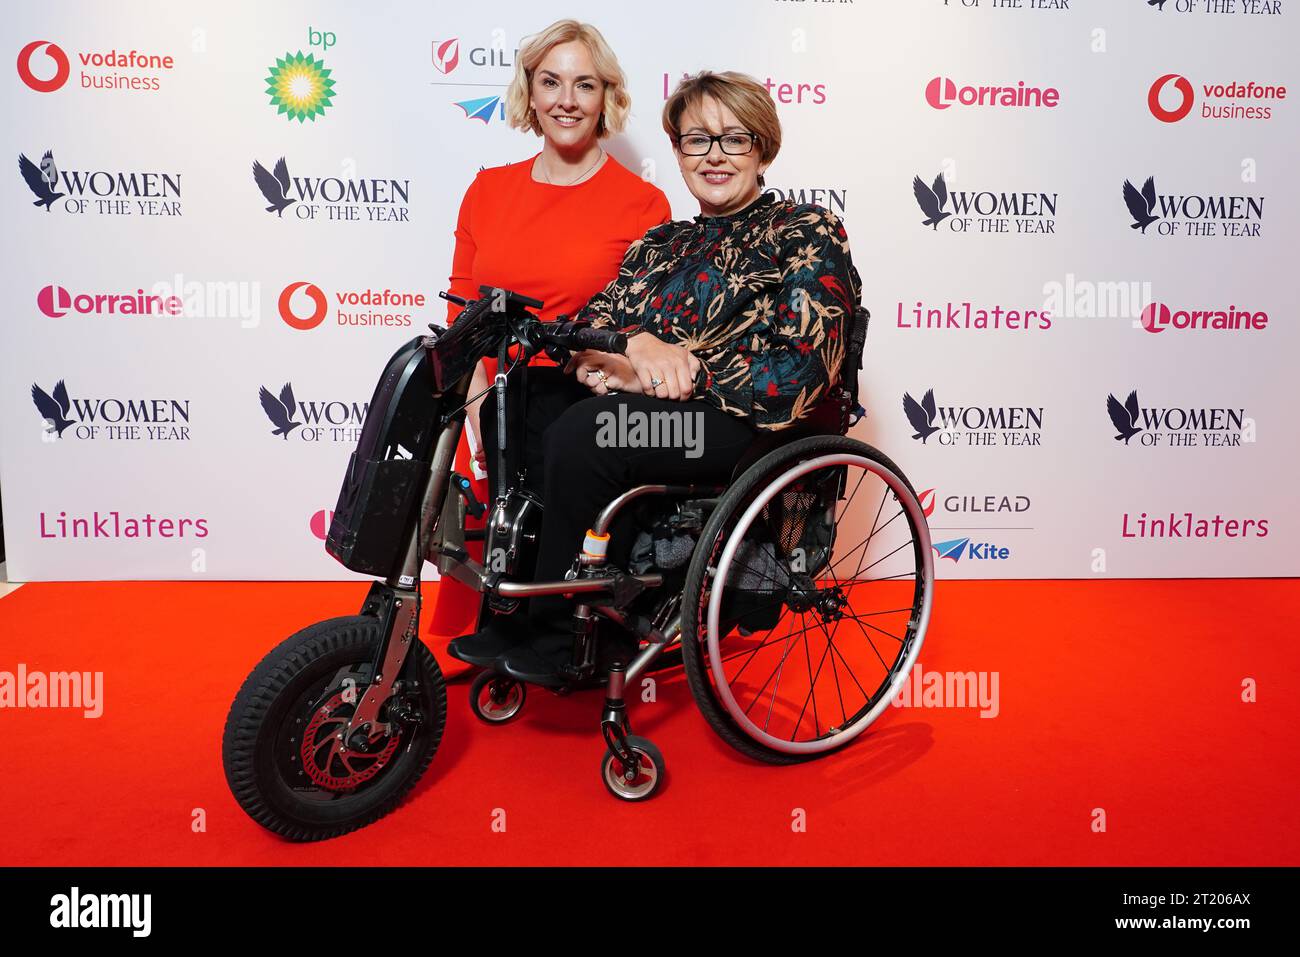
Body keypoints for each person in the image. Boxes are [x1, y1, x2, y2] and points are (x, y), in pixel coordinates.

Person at [455, 70, 864, 685]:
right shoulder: (660, 244)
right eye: (697, 140)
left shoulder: (805, 233)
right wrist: (613, 361)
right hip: (663, 418)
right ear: (677, 151)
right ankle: (513, 612)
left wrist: (678, 375)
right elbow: (596, 325)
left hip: (745, 424)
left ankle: (564, 634)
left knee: (596, 431)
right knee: (529, 400)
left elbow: (800, 373)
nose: (715, 155)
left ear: (764, 149)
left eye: (736, 138)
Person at [431, 20, 670, 654]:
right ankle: (504, 620)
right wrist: (477, 391)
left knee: (554, 457)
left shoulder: (642, 204)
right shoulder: (487, 190)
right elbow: (464, 306)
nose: (567, 99)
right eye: (551, 82)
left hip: (582, 392)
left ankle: (555, 630)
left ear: (606, 98)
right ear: (530, 94)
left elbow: (641, 328)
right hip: (492, 390)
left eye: (584, 84)